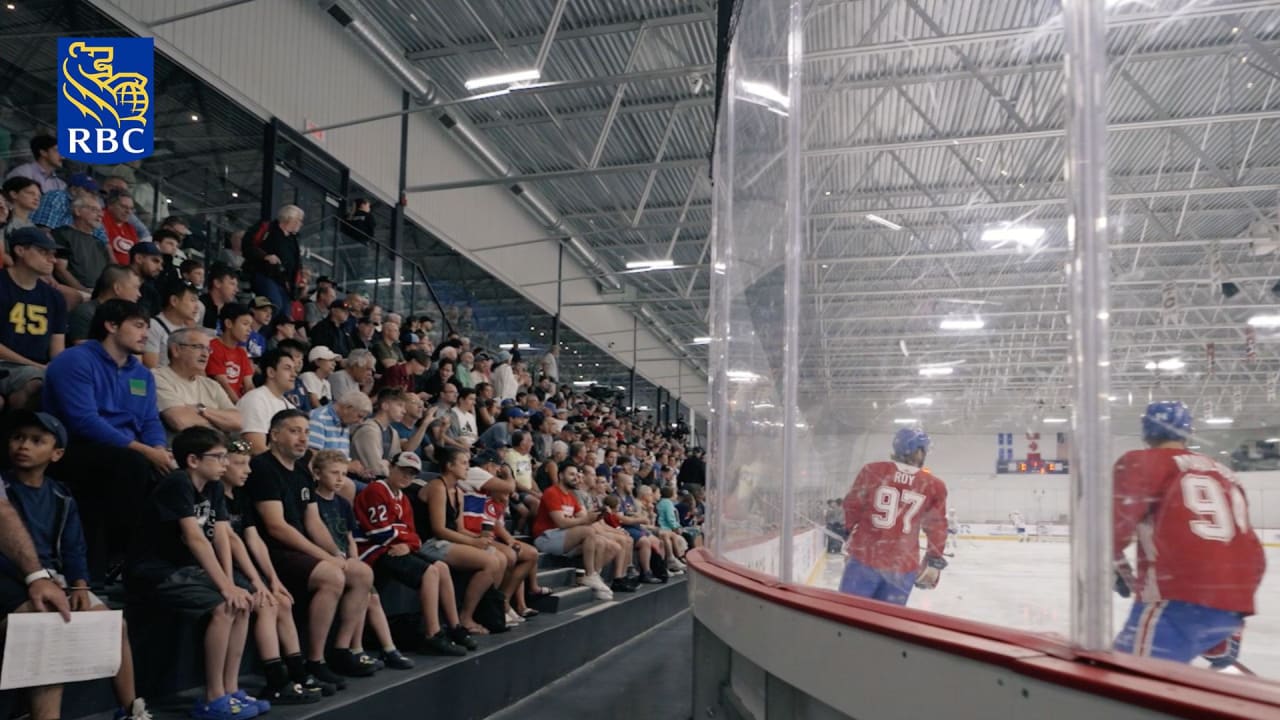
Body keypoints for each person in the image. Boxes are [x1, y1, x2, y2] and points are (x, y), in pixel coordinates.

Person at [2, 412, 152, 720]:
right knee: (49, 625)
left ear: (56, 454)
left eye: (37, 440)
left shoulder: (62, 495)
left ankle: (131, 710)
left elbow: (74, 548)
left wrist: (80, 584)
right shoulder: (4, 486)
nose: (24, 446)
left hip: (56, 580)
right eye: (18, 438)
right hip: (14, 578)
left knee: (115, 626)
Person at [1112, 401, 1265, 667]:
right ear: (1186, 431)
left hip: (1175, 602)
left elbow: (1111, 530)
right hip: (1232, 604)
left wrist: (1116, 567)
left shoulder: (1140, 462)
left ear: (1146, 433)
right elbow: (1250, 548)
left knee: (1121, 684)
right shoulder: (1226, 473)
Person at [125, 427, 256, 720]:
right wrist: (224, 587)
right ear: (193, 460)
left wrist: (230, 580)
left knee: (243, 601)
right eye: (219, 457)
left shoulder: (213, 487)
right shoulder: (177, 483)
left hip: (185, 569)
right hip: (154, 571)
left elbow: (221, 534)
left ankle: (231, 689)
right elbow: (194, 537)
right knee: (224, 606)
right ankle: (213, 697)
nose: (225, 463)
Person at [44, 300, 174, 577]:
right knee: (132, 465)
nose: (145, 334)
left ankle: (162, 565)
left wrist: (160, 449)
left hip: (127, 451)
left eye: (148, 327)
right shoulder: (74, 360)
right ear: (111, 326)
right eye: (138, 325)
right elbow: (84, 421)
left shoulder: (141, 375)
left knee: (177, 473)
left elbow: (150, 420)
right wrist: (145, 452)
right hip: (73, 447)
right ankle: (119, 556)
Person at [245, 409, 375, 687]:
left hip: (301, 549)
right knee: (332, 575)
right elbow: (276, 527)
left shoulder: (303, 469)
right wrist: (325, 558)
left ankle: (341, 651)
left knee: (361, 572)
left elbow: (313, 522)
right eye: (294, 431)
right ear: (275, 435)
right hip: (273, 551)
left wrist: (336, 554)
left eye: (305, 431)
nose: (303, 438)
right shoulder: (263, 468)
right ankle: (315, 661)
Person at [219, 439, 328, 702]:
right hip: (223, 567)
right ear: (223, 466)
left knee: (283, 601)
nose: (247, 470)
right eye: (240, 464)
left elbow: (254, 540)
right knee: (268, 605)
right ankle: (275, 681)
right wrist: (256, 583)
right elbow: (228, 544)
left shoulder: (242, 496)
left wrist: (273, 579)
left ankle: (297, 673)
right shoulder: (215, 495)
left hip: (244, 566)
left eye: (248, 463)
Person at [354, 452, 474, 656]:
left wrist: (407, 544)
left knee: (442, 567)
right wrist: (405, 539)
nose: (406, 477)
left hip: (395, 548)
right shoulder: (376, 490)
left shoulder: (403, 498)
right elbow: (379, 533)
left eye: (411, 474)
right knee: (430, 572)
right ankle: (432, 634)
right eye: (403, 471)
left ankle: (455, 628)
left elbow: (414, 537)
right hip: (373, 550)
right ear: (391, 467)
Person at [307, 452, 402, 673]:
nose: (340, 479)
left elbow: (349, 538)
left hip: (347, 560)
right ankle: (353, 649)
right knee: (364, 589)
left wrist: (352, 559)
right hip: (326, 559)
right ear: (318, 474)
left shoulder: (342, 503)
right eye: (334, 473)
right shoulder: (312, 501)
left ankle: (367, 648)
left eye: (343, 473)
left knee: (371, 595)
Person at [839, 427, 948, 606]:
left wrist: (847, 530)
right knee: (888, 623)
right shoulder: (934, 485)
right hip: (903, 567)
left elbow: (852, 506)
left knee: (848, 615)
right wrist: (934, 559)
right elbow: (937, 526)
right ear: (918, 450)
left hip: (864, 559)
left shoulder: (872, 471)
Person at [418, 446, 509, 634]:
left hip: (448, 540)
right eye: (464, 463)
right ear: (450, 466)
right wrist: (474, 543)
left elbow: (460, 528)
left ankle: (484, 611)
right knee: (490, 561)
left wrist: (479, 537)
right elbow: (439, 529)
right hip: (430, 543)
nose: (468, 467)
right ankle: (465, 617)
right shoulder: (437, 487)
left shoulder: (458, 492)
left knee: (501, 558)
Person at [531, 463, 630, 600]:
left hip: (564, 537)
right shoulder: (551, 492)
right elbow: (561, 522)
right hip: (546, 537)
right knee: (588, 531)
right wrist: (586, 519)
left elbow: (584, 517)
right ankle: (590, 574)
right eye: (571, 474)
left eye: (577, 475)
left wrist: (599, 515)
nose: (576, 478)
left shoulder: (571, 497)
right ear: (560, 476)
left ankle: (593, 578)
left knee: (610, 545)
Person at [0, 227, 67, 410]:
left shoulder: (55, 297)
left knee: (54, 382)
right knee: (37, 379)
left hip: (32, 371)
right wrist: (36, 366)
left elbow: (57, 350)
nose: (52, 259)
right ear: (20, 250)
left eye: (53, 254)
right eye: (43, 252)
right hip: (11, 365)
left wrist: (59, 369)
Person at [154, 328, 242, 436]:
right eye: (198, 347)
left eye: (208, 349)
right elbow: (181, 421)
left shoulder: (211, 384)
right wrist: (220, 422)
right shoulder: (158, 377)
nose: (205, 354)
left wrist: (200, 409)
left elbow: (238, 421)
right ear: (176, 350)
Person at [350, 388, 430, 479]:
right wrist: (387, 464)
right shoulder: (369, 430)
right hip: (366, 482)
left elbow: (399, 464)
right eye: (399, 405)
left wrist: (386, 463)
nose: (404, 411)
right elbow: (376, 470)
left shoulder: (392, 432)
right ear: (385, 406)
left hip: (386, 480)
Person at [243, 205, 303, 322]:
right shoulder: (268, 228)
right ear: (289, 219)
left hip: (283, 283)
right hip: (264, 274)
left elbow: (296, 263)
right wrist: (265, 256)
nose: (301, 224)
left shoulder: (294, 240)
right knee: (275, 305)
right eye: (299, 220)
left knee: (285, 316)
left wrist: (299, 281)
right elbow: (248, 244)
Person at [237, 349, 298, 455]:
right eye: (287, 369)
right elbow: (256, 447)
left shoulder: (290, 407)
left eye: (294, 369)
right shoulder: (255, 399)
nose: (294, 374)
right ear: (271, 372)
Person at [67, 265, 141, 345]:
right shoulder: (86, 313)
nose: (139, 294)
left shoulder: (126, 317)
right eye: (135, 287)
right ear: (117, 288)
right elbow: (82, 352)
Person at [51, 193, 110, 293]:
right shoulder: (61, 234)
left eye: (101, 211)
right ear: (77, 211)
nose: (100, 215)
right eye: (94, 210)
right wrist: (84, 291)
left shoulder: (99, 243)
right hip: (72, 293)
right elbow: (60, 269)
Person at [143, 280, 201, 368]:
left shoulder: (187, 330)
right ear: (174, 301)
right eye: (192, 300)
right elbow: (152, 368)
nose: (197, 307)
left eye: (197, 301)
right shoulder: (153, 326)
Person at [207, 303, 255, 403]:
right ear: (228, 323)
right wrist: (240, 409)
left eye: (250, 326)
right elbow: (224, 385)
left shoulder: (241, 353)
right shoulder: (213, 347)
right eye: (245, 324)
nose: (249, 330)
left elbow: (249, 386)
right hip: (218, 403)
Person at [129, 241, 166, 317]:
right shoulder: (115, 278)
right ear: (138, 258)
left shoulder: (152, 292)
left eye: (161, 264)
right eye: (155, 261)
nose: (160, 268)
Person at [200, 264, 239, 332]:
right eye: (232, 284)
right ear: (217, 283)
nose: (236, 290)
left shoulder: (232, 310)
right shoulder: (199, 305)